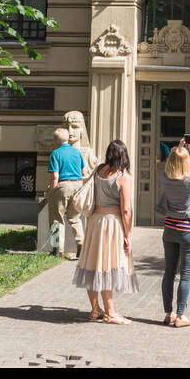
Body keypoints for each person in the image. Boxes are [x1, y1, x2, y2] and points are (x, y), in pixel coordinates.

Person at [73, 139, 139, 323]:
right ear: (124, 155)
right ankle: (110, 312)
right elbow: (126, 210)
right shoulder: (124, 177)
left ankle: (95, 309)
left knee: (92, 264)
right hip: (112, 224)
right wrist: (128, 234)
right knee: (107, 266)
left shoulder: (99, 170)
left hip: (95, 222)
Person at [158, 136, 190, 328]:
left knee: (169, 272)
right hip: (188, 231)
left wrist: (177, 151)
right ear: (187, 161)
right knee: (186, 275)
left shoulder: (164, 178)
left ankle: (168, 313)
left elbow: (168, 167)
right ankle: (181, 316)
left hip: (170, 229)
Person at [47, 128, 86, 259]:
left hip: (63, 186)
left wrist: (50, 192)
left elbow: (54, 177)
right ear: (68, 139)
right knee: (75, 218)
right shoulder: (76, 152)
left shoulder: (55, 154)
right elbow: (84, 172)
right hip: (78, 185)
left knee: (57, 219)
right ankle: (81, 244)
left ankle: (58, 250)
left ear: (56, 140)